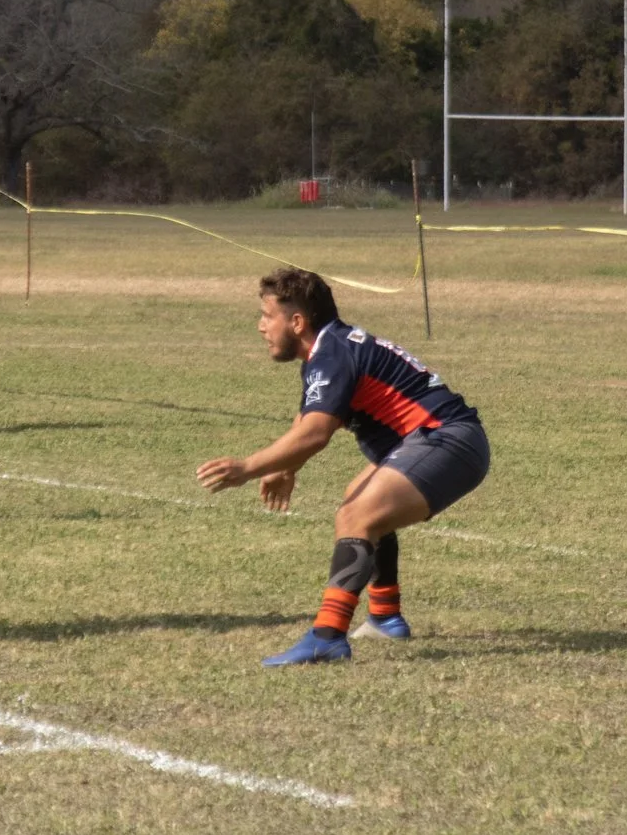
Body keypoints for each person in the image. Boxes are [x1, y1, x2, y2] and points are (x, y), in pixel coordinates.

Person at [197, 268, 490, 666]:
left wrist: (247, 467)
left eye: (267, 316)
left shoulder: (332, 354)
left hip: (447, 440)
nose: (261, 326)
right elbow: (311, 418)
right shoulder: (329, 348)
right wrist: (286, 466)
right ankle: (385, 616)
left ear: (297, 322)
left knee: (356, 517)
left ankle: (327, 637)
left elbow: (315, 433)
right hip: (437, 438)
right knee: (357, 499)